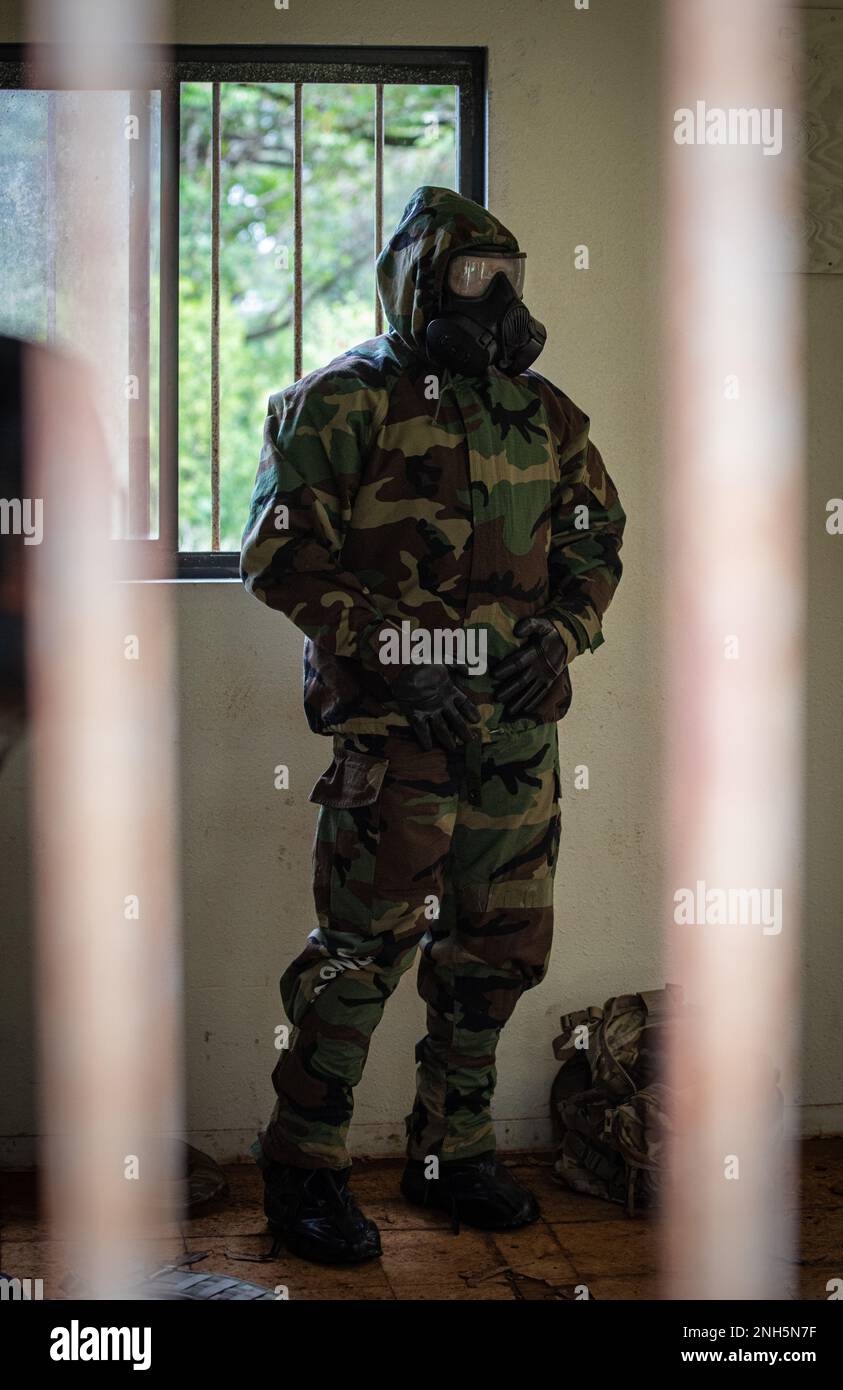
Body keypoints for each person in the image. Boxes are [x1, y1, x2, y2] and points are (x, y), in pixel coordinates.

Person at [240, 186, 626, 1265]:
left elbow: (596, 539)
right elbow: (274, 559)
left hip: (514, 743)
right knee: (359, 958)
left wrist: (565, 633)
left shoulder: (543, 413)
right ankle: (302, 1166)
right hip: (396, 744)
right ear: (417, 284)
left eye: (509, 278)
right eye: (470, 279)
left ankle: (449, 1152)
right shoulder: (342, 400)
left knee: (493, 956)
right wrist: (393, 656)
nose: (497, 299)